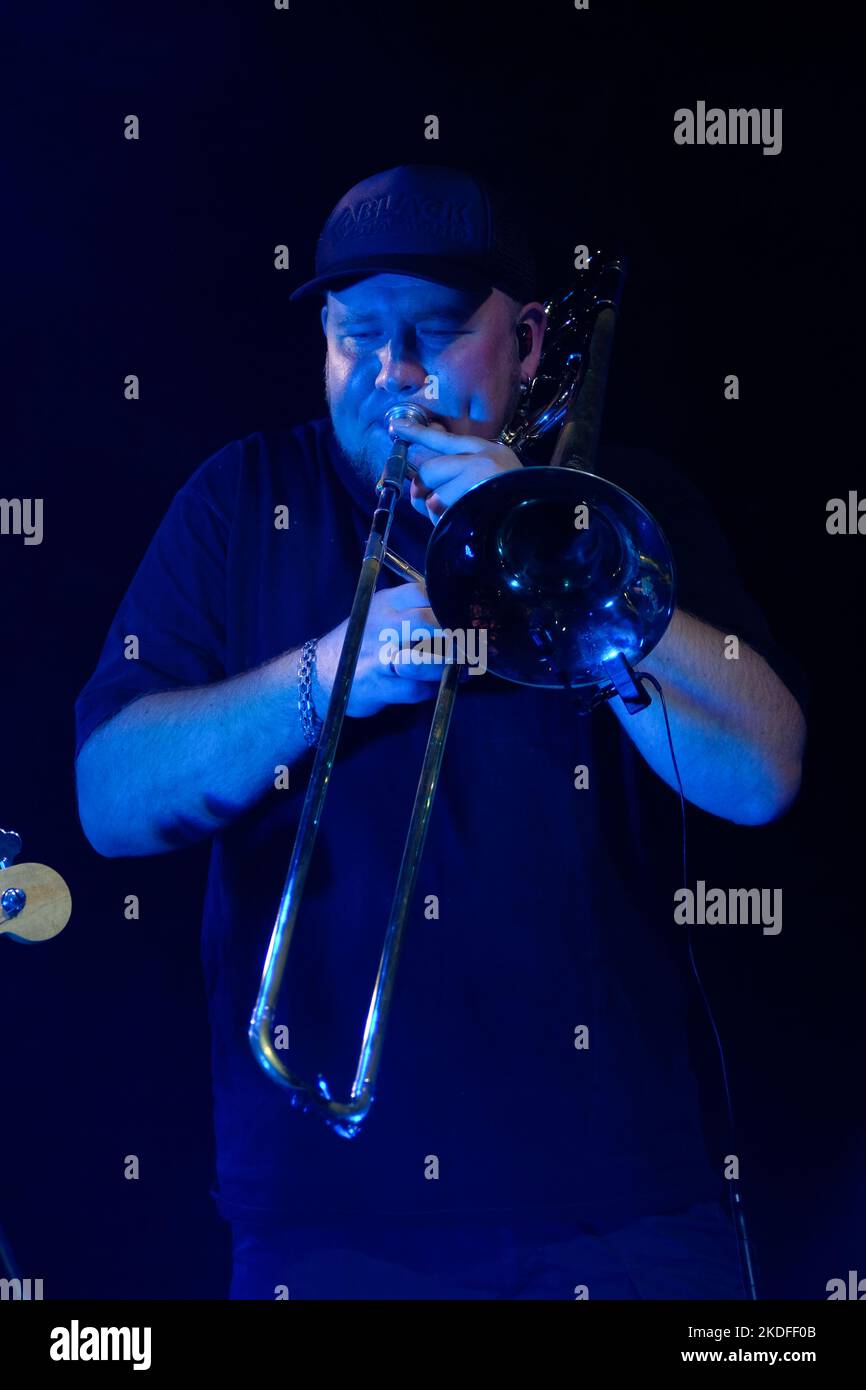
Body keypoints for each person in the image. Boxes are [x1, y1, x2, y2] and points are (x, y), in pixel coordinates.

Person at [74, 163, 808, 1300]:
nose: (390, 375)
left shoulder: (621, 503)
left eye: (432, 334)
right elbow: (110, 800)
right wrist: (328, 675)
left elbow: (762, 773)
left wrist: (567, 548)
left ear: (523, 346)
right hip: (328, 1214)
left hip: (626, 1207)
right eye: (353, 336)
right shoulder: (238, 501)